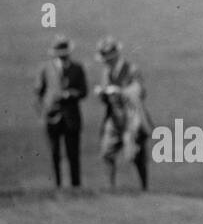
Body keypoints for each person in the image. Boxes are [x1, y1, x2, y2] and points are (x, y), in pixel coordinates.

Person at [94, 36, 152, 191]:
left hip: (132, 118)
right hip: (114, 118)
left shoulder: (131, 69)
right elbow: (107, 97)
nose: (106, 61)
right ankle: (110, 188)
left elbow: (140, 92)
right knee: (106, 152)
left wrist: (120, 91)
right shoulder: (106, 72)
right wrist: (103, 94)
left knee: (135, 155)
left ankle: (143, 188)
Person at [34, 36, 88, 190]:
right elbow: (38, 91)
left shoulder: (77, 68)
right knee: (54, 152)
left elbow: (84, 91)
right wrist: (43, 111)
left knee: (73, 153)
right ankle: (57, 185)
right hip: (52, 116)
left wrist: (71, 94)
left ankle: (76, 186)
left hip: (71, 116)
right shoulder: (46, 68)